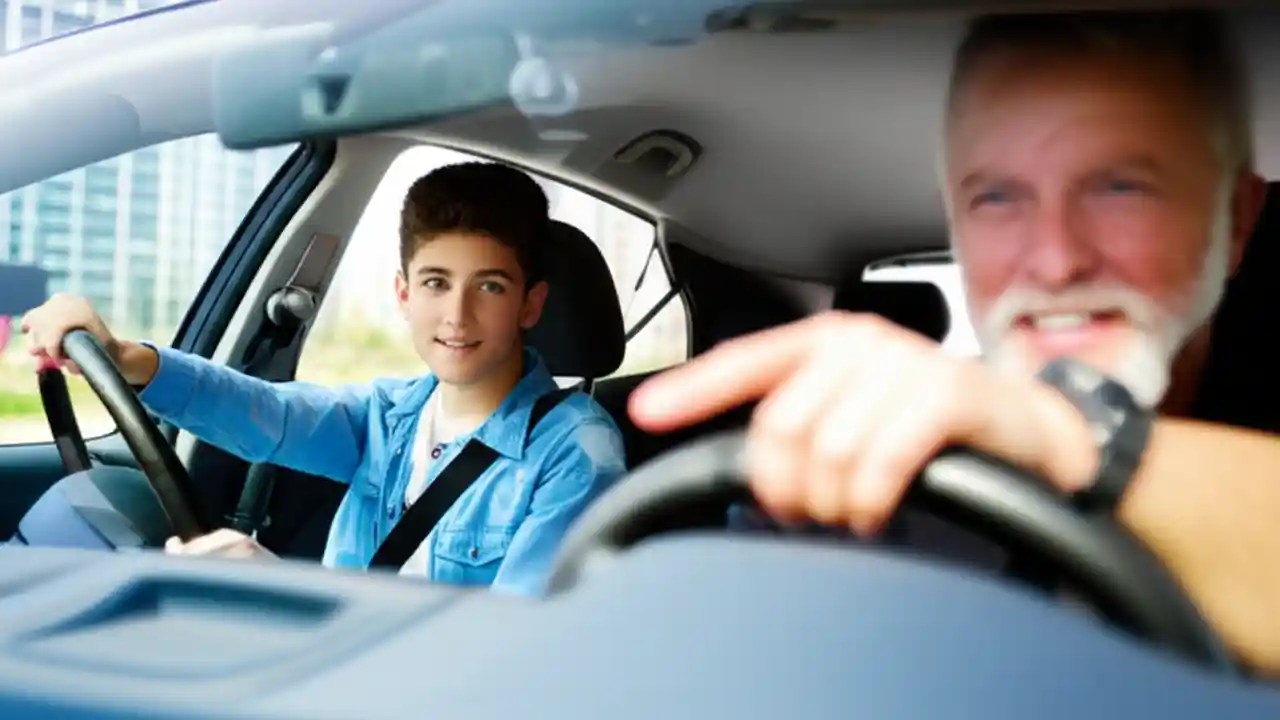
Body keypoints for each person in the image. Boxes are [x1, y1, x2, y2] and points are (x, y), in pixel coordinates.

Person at [628, 10, 1280, 673]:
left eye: (1121, 188)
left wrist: (1062, 434)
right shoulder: (860, 478)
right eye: (997, 198)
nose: (1055, 262)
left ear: (1235, 220)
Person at [21, 161, 627, 597]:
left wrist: (287, 594)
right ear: (404, 293)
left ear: (530, 305)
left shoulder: (575, 454)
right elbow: (265, 414)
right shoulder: (391, 414)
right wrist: (126, 356)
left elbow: (514, 660)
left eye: (489, 287)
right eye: (437, 283)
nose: (457, 316)